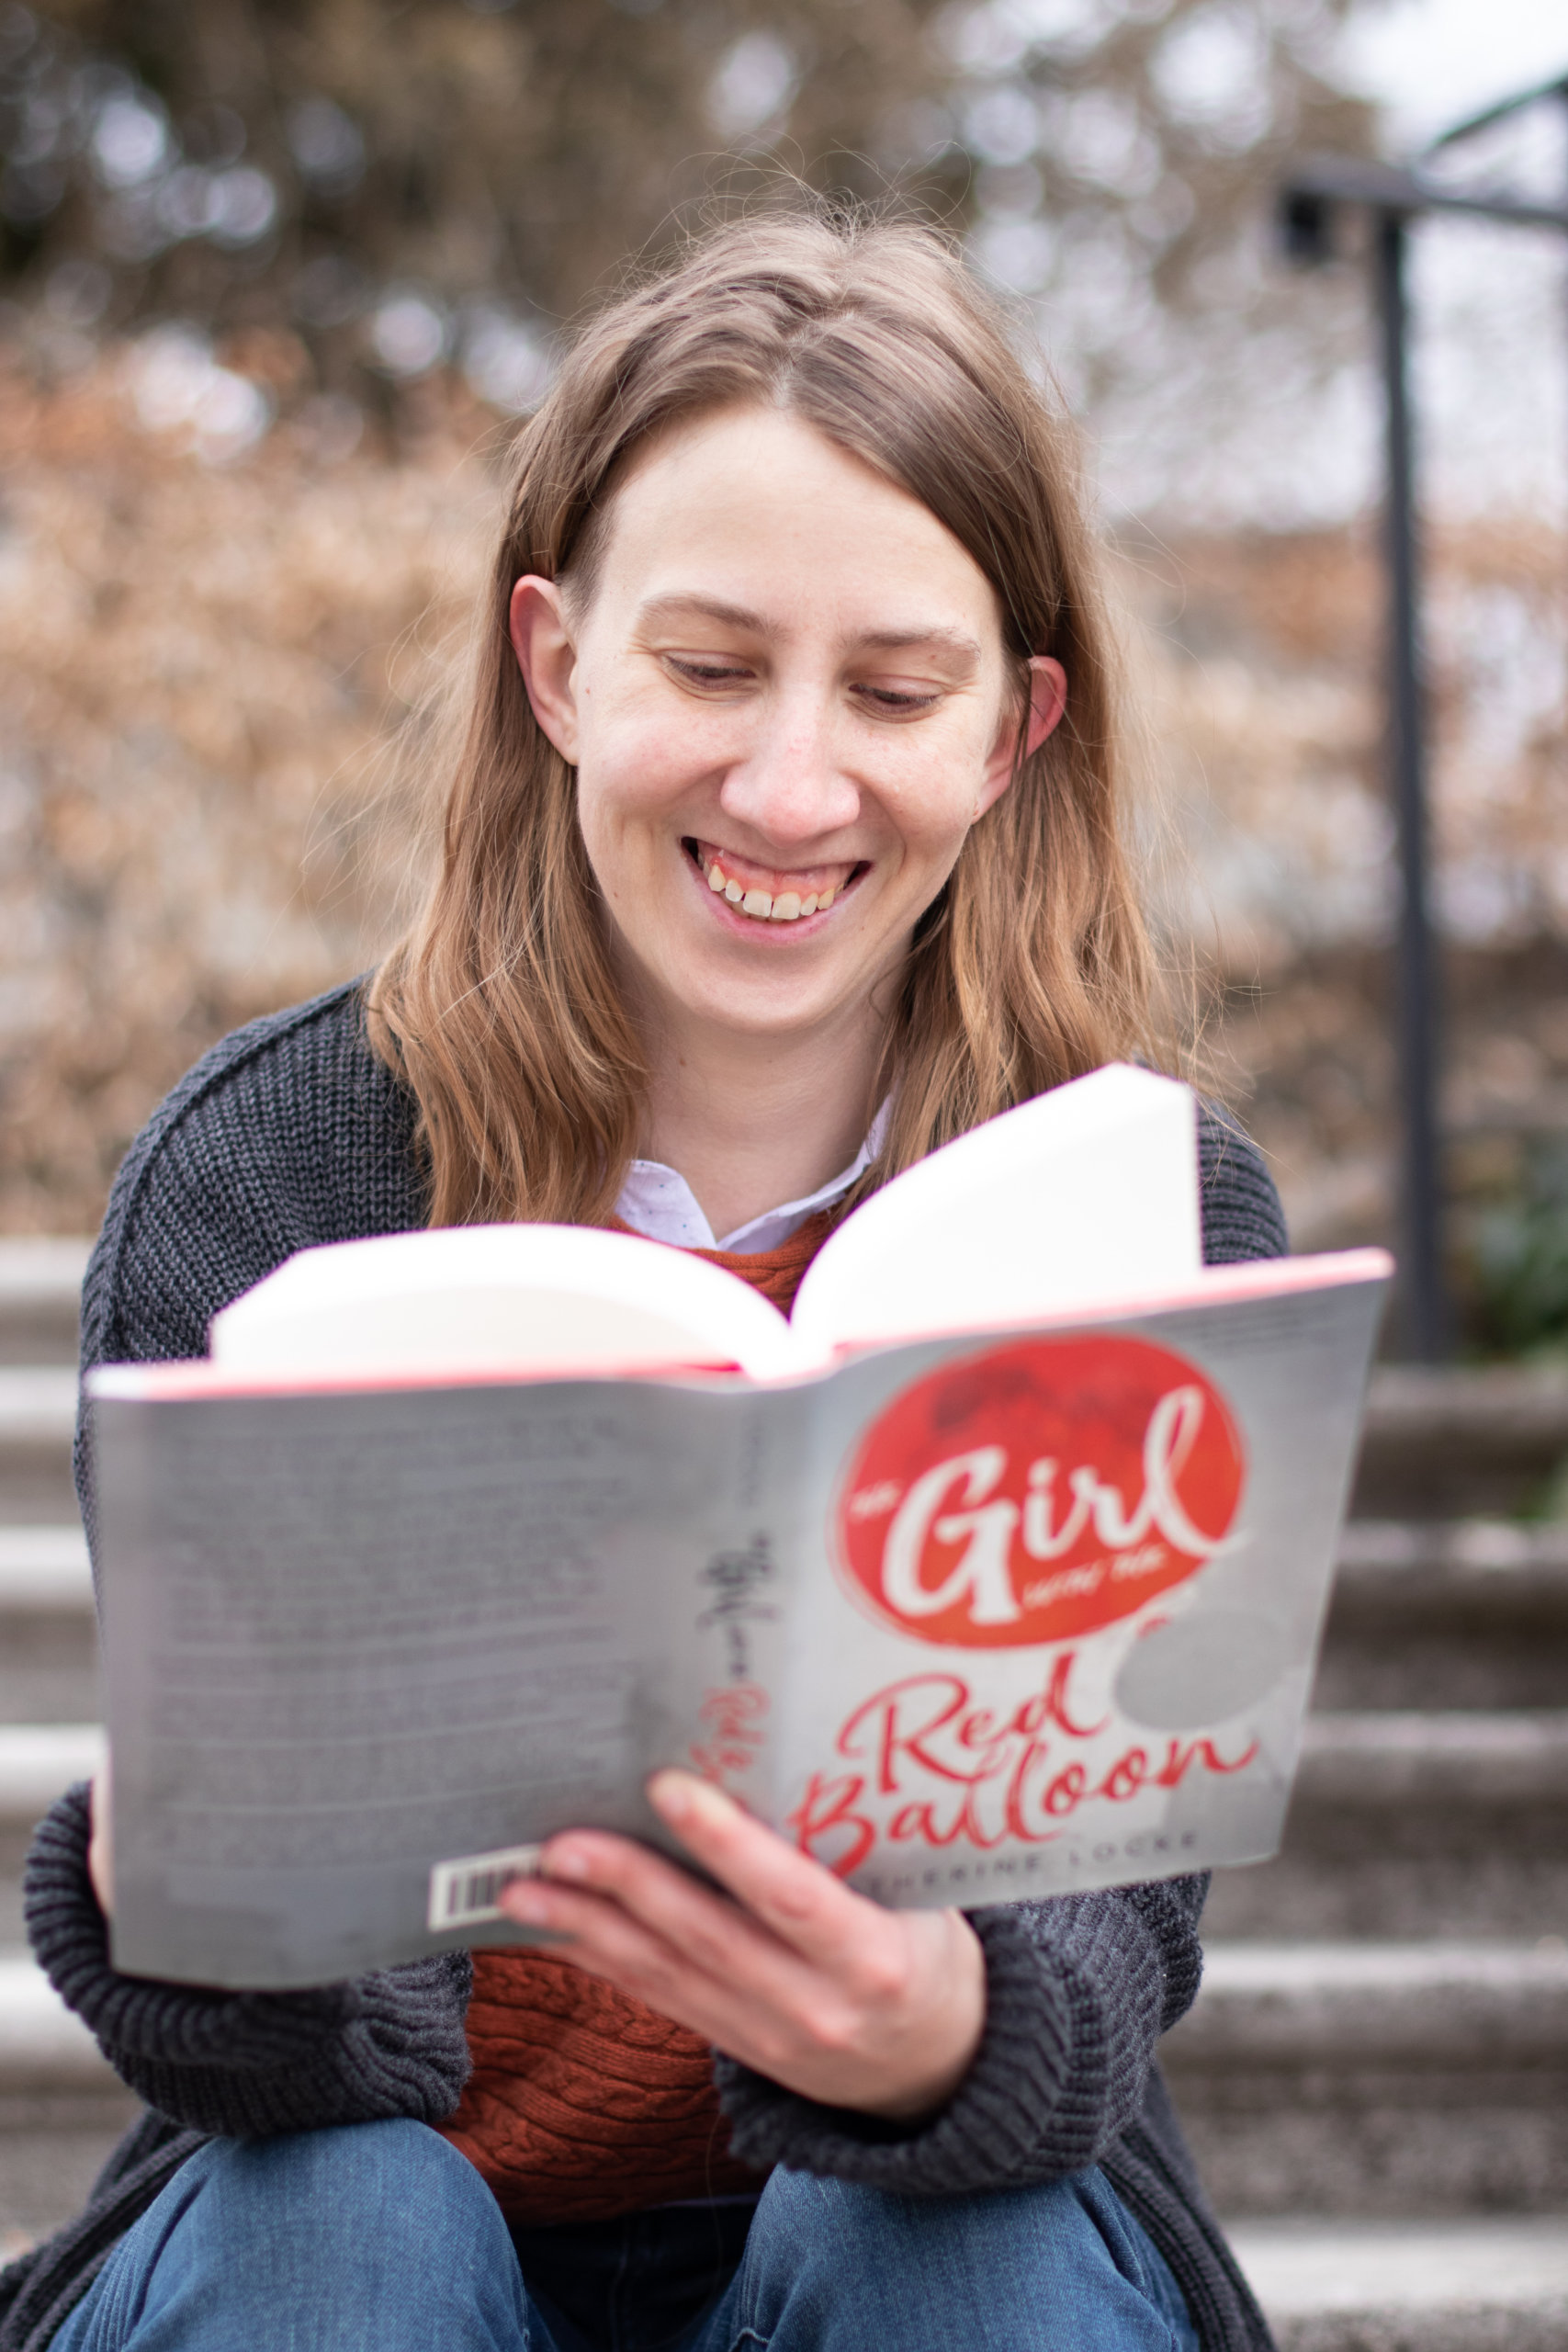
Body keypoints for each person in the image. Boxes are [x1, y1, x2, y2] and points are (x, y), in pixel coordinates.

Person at [4, 208, 1286, 2352]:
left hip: (914, 2226)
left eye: (891, 690)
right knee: (346, 2225)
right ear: (554, 662)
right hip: (369, 2228)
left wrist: (931, 2021)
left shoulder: (1148, 1212)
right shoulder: (273, 1181)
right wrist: (189, 1905)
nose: (790, 785)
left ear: (1009, 729)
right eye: (706, 666)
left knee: (945, 2242)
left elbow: (1102, 1954)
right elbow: (267, 2084)